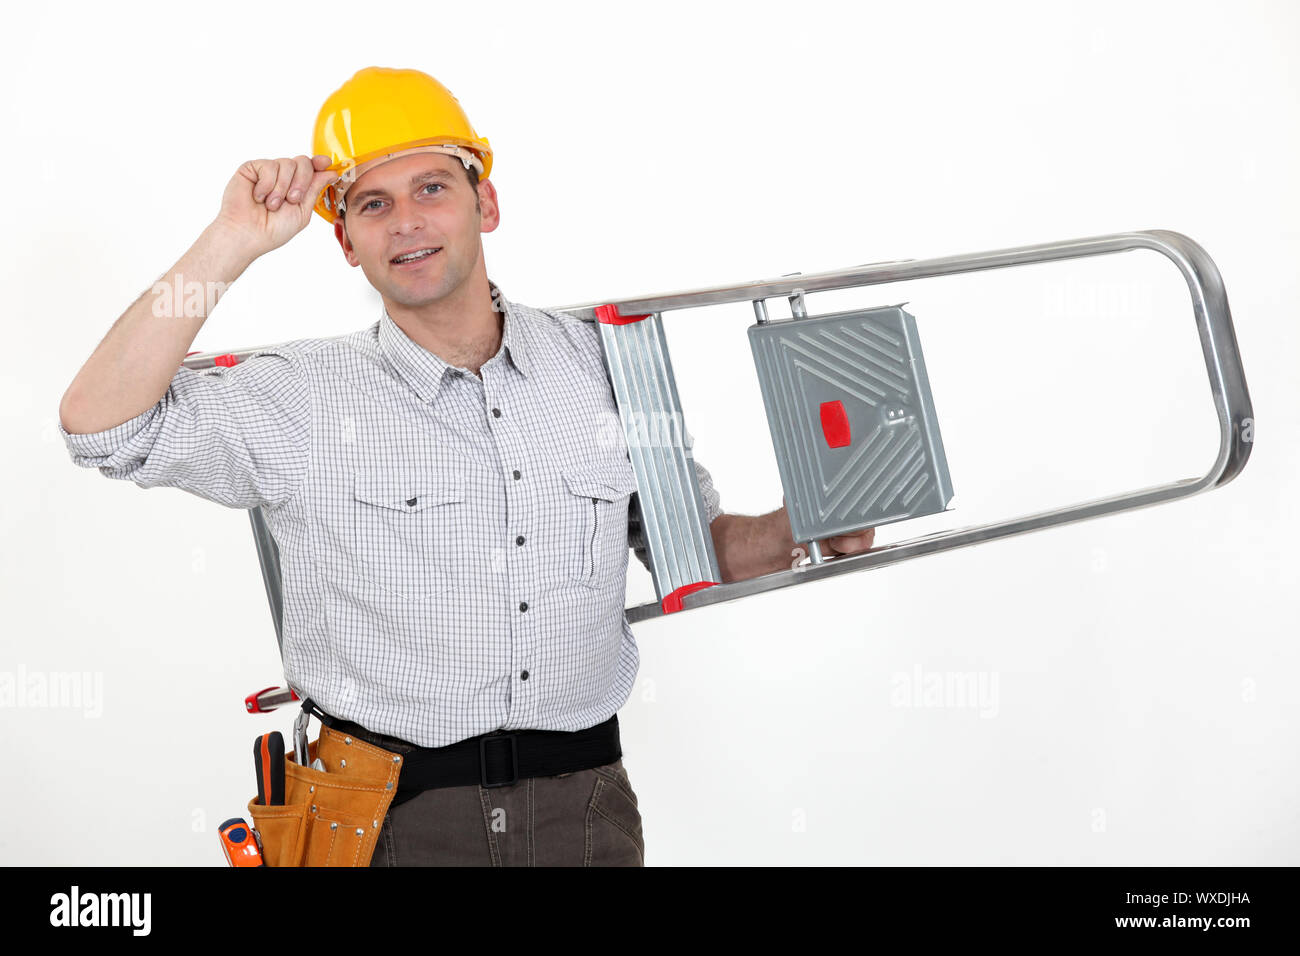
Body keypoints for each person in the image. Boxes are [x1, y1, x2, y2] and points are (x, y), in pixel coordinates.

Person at [57, 67, 876, 867]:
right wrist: (229, 241)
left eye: (431, 189)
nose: (406, 221)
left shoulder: (607, 365)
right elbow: (99, 425)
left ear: (485, 202)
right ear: (344, 240)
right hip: (380, 820)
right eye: (372, 204)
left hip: (584, 811)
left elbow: (692, 549)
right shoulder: (300, 397)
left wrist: (807, 526)